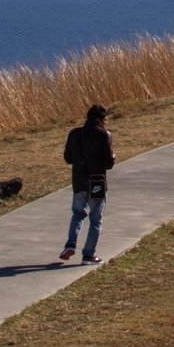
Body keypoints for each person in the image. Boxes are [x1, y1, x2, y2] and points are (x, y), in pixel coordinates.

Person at [59, 104, 115, 265]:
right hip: (97, 182)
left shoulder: (74, 134)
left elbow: (68, 158)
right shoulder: (104, 135)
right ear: (99, 119)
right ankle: (88, 255)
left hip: (79, 182)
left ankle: (70, 244)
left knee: (77, 214)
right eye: (105, 119)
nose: (106, 121)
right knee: (95, 220)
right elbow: (109, 163)